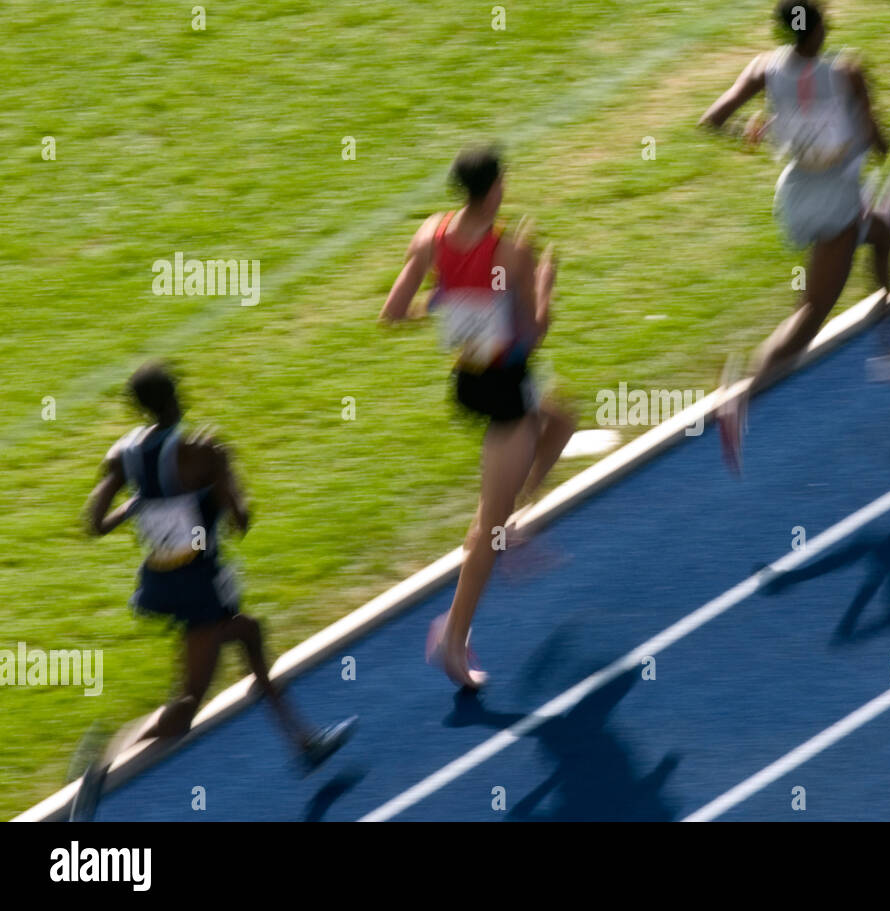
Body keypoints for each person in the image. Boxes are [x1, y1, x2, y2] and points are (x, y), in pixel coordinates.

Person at [76, 363, 356, 819]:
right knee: (187, 703)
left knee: (248, 633)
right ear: (175, 395)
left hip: (160, 581)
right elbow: (241, 521)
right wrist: (228, 483)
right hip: (200, 581)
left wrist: (136, 504)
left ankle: (304, 741)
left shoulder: (122, 454)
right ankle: (105, 757)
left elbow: (94, 523)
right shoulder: (203, 450)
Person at [700, 0, 890, 474]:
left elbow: (711, 119)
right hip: (836, 199)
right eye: (825, 19)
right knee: (811, 315)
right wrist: (873, 134)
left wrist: (755, 133)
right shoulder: (847, 72)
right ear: (817, 29)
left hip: (797, 193)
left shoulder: (764, 68)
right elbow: (880, 143)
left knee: (881, 232)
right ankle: (740, 397)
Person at [380, 145, 576, 689]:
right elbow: (536, 332)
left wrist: (444, 301)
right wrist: (545, 280)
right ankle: (452, 639)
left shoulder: (431, 233)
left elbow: (392, 313)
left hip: (467, 380)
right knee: (487, 529)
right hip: (504, 391)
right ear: (496, 188)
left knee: (561, 420)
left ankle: (511, 517)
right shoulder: (511, 253)